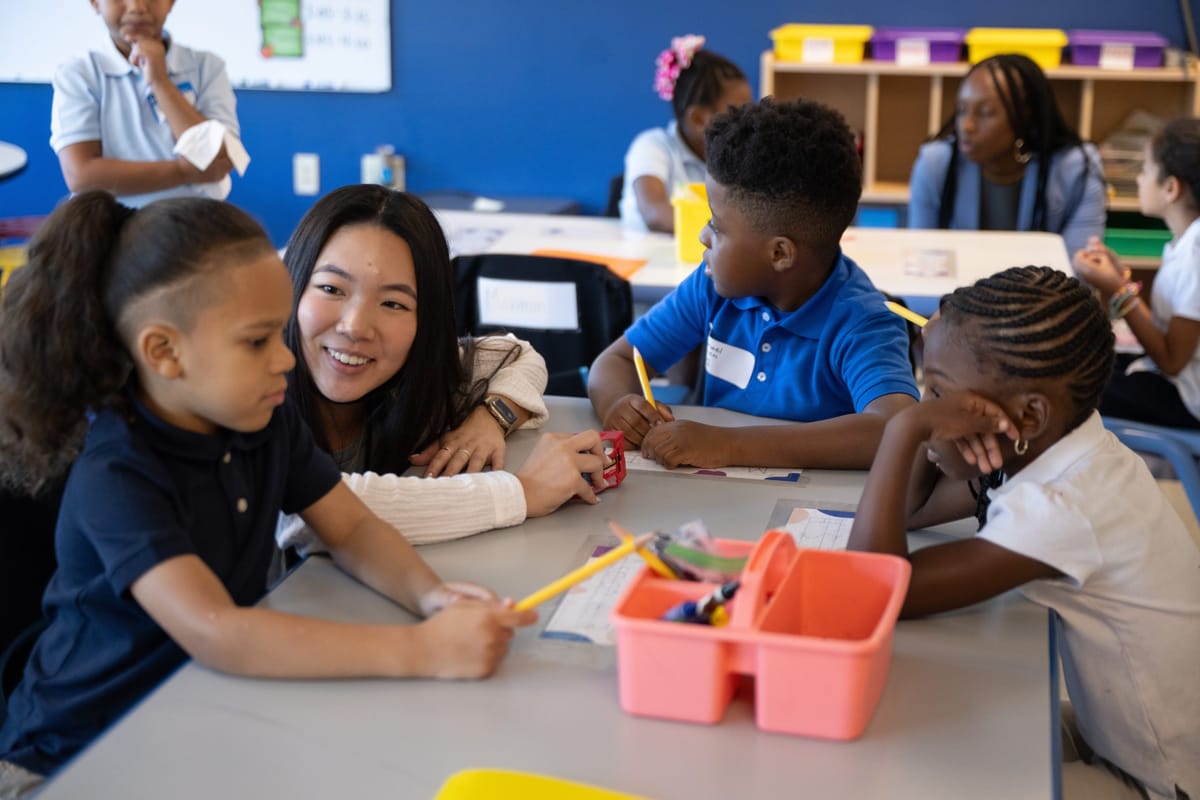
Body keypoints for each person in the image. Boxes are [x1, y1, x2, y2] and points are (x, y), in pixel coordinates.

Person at [0, 192, 549, 792]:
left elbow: (352, 528)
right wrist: (423, 650)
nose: (285, 357)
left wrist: (432, 597)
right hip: (76, 759)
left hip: (200, 720)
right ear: (164, 351)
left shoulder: (265, 416)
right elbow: (217, 631)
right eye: (258, 340)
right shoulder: (118, 472)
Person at [847, 266, 1199, 800]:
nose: (930, 407)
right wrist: (928, 420)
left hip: (1157, 779)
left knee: (922, 775)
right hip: (1122, 733)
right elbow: (911, 512)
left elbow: (878, 590)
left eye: (939, 390)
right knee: (944, 730)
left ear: (1028, 414)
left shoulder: (1064, 506)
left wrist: (903, 429)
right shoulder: (1063, 443)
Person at [590, 98, 920, 470]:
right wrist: (618, 404)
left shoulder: (861, 322)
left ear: (780, 254)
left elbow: (895, 427)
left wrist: (729, 446)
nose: (702, 236)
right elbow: (616, 361)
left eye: (716, 224)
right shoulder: (711, 287)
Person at [276, 185, 608, 554]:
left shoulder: (415, 372)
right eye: (331, 288)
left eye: (393, 303)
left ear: (426, 320)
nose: (355, 326)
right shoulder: (249, 393)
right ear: (291, 285)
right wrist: (522, 492)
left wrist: (489, 419)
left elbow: (520, 356)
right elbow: (314, 509)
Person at [908, 54, 1106, 256]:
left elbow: (1079, 272)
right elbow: (923, 263)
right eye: (961, 110)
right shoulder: (935, 163)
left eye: (985, 112)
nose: (966, 126)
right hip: (955, 288)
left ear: (1026, 116)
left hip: (1043, 288)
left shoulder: (1077, 169)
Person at [1074, 118, 1200, 429]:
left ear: (1171, 188)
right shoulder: (1186, 242)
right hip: (1176, 381)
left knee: (1070, 391)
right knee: (1079, 368)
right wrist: (1121, 281)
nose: (1140, 179)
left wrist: (1117, 289)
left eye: (1144, 169)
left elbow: (1171, 360)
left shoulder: (1196, 251)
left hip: (1187, 399)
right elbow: (1168, 331)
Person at [51, 0, 241, 206]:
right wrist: (184, 171)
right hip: (111, 223)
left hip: (195, 220)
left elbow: (219, 159)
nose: (137, 7)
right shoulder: (79, 73)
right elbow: (82, 176)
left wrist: (160, 81)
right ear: (95, 3)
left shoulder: (207, 67)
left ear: (171, 2)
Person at [618, 34, 752, 233]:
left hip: (701, 262)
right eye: (737, 113)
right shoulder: (653, 146)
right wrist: (728, 236)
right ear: (698, 119)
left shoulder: (737, 156)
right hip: (646, 260)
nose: (748, 121)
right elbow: (654, 213)